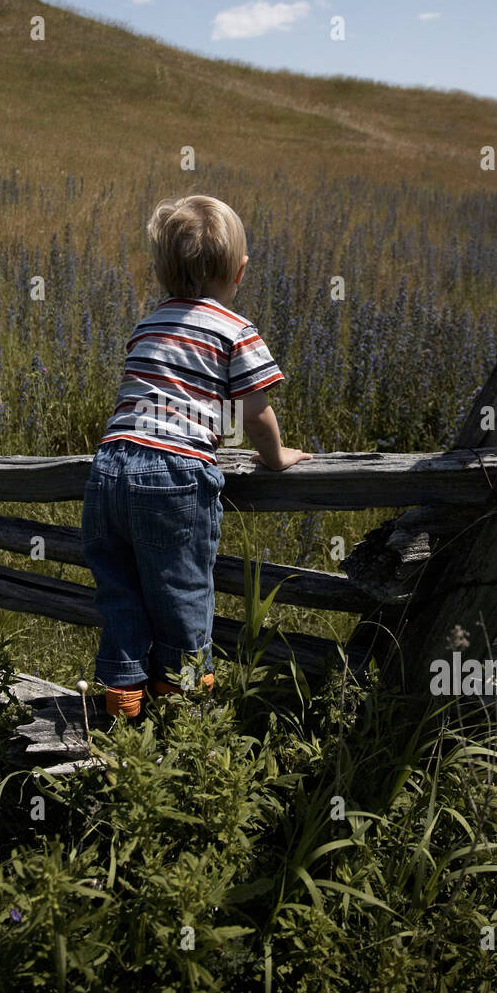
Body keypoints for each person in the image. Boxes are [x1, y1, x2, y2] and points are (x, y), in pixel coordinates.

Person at [81, 194, 313, 720]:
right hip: (172, 477)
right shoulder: (235, 330)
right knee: (181, 590)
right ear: (241, 270)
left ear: (162, 271)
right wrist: (276, 457)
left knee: (119, 587)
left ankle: (122, 703)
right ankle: (183, 713)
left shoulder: (147, 325)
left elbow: (159, 395)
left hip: (110, 469)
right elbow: (253, 412)